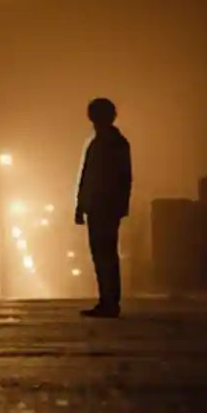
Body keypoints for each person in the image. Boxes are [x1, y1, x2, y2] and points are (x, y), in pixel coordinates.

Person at [74, 97, 132, 318]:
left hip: (104, 207)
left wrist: (83, 205)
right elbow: (88, 177)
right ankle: (107, 300)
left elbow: (120, 178)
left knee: (105, 254)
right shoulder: (105, 142)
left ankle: (109, 301)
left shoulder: (109, 143)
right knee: (103, 254)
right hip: (101, 207)